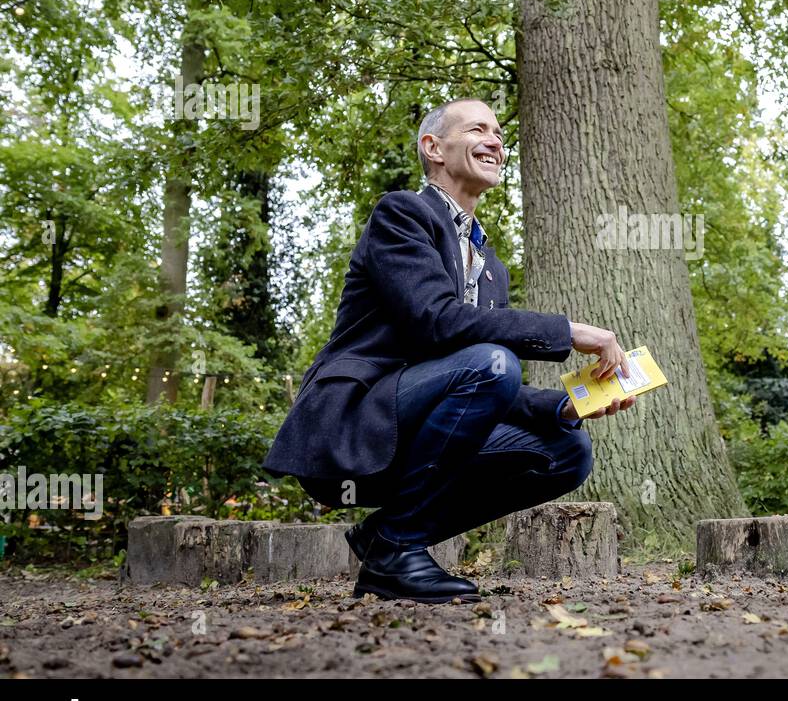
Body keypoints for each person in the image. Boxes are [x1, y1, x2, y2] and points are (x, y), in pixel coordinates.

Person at [262, 97, 635, 604]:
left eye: (500, 133)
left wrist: (565, 405)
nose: (496, 141)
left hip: (426, 430)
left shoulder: (490, 266)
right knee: (493, 362)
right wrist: (567, 332)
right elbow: (434, 324)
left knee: (567, 450)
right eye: (479, 128)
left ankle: (387, 538)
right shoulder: (403, 214)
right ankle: (396, 549)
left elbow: (482, 383)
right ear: (433, 148)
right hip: (357, 424)